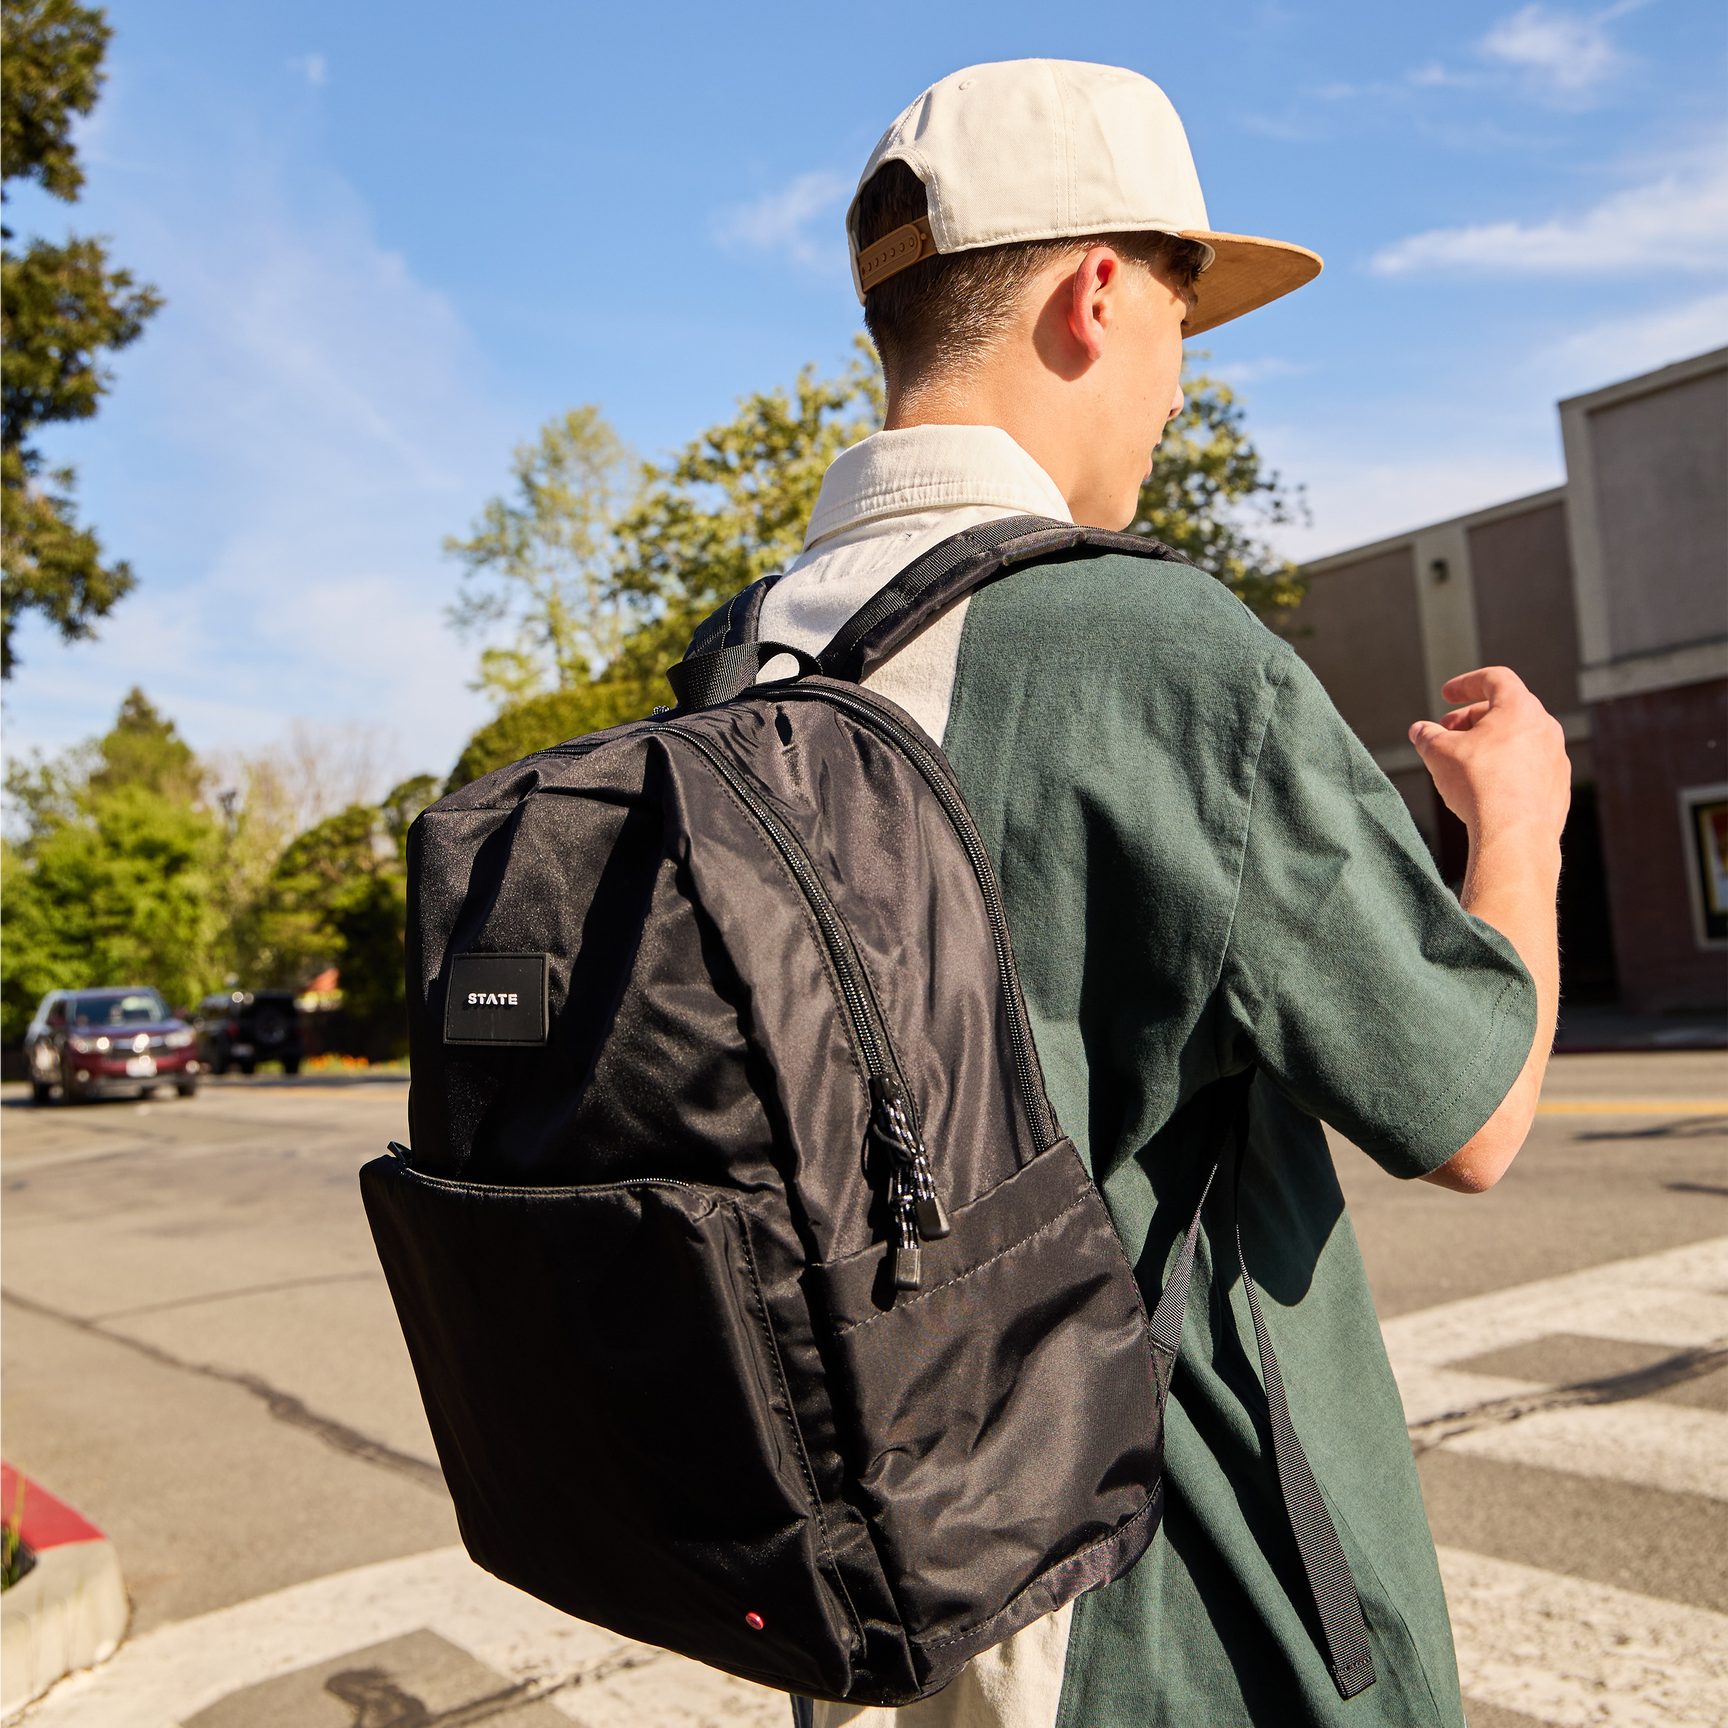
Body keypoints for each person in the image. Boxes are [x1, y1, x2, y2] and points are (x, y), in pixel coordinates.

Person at [774, 59, 1570, 1728]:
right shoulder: (1145, 648)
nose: (1178, 394)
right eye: (1181, 336)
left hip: (874, 1619)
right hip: (1171, 1631)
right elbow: (1477, 1109)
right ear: (1094, 294)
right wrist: (1522, 835)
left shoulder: (750, 668)